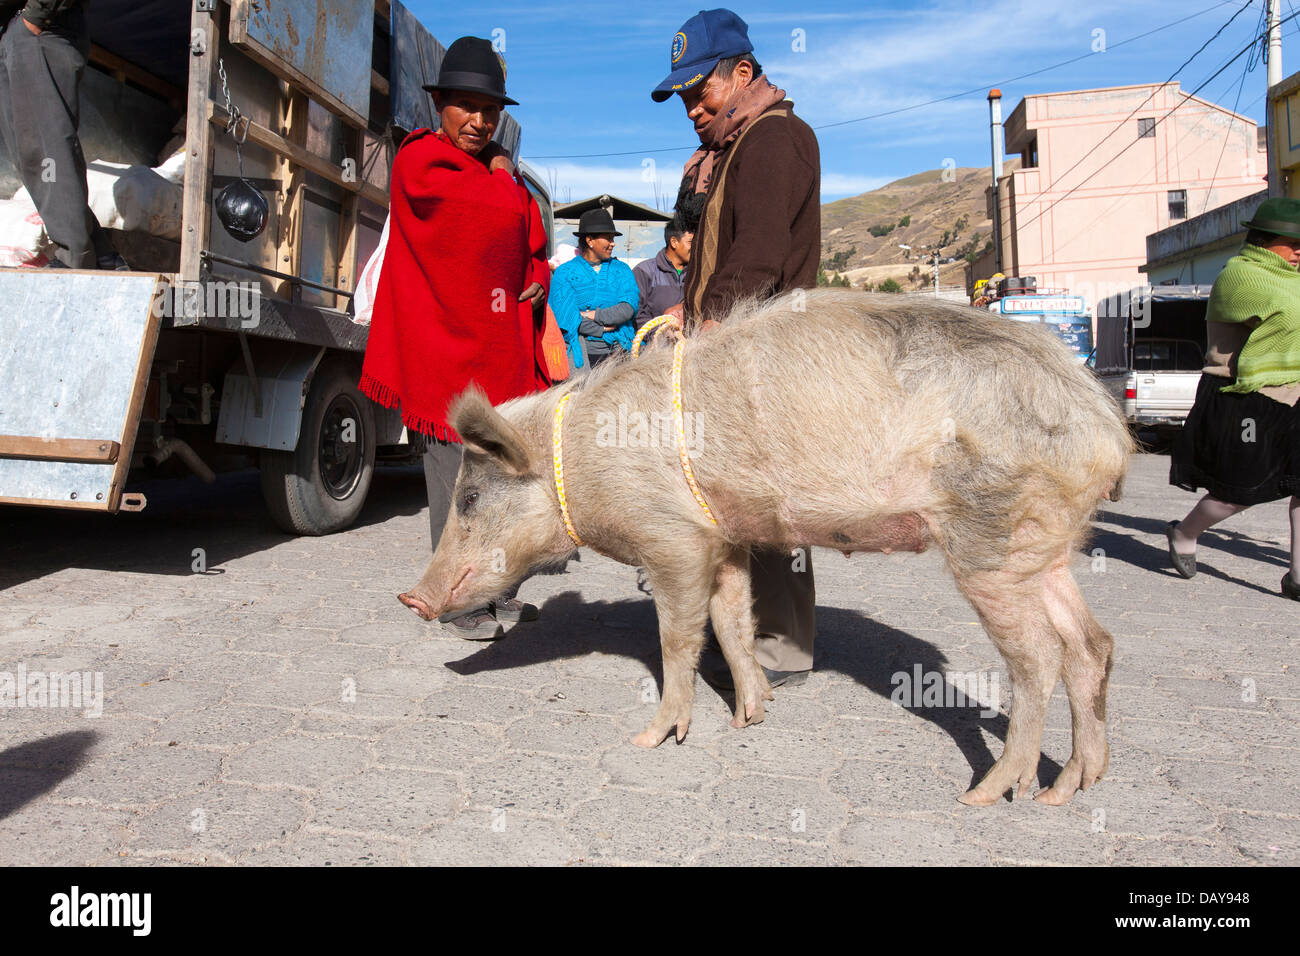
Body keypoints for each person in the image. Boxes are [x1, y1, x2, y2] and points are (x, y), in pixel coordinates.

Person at [360, 36, 551, 639]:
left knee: (500, 481)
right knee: (452, 485)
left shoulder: (498, 171)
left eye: (489, 110)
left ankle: (496, 585)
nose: (478, 121)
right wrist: (502, 175)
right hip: (441, 355)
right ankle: (460, 602)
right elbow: (493, 224)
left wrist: (540, 272)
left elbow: (528, 243)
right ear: (438, 104)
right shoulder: (420, 162)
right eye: (465, 105)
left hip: (497, 353)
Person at [651, 8, 821, 685]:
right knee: (733, 502)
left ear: (743, 72)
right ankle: (743, 633)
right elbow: (718, 255)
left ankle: (782, 647)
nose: (692, 108)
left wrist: (710, 339)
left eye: (701, 90)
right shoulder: (732, 147)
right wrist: (681, 317)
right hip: (733, 351)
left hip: (760, 357)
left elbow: (758, 256)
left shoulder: (775, 139)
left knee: (772, 506)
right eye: (684, 97)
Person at [1167, 197, 1300, 600]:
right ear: (1264, 241)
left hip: (1294, 392)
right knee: (1237, 492)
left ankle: (1298, 576)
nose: (1299, 251)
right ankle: (1185, 532)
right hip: (1246, 396)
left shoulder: (1291, 279)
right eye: (1292, 242)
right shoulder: (1242, 277)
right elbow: (1287, 319)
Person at [0, 1, 125, 269]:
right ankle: (101, 254)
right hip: (18, 31)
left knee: (47, 153)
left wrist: (36, 15)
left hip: (42, 29)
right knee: (31, 157)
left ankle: (75, 258)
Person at [550, 208, 639, 369]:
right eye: (608, 238)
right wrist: (601, 328)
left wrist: (592, 314)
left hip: (620, 353)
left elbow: (627, 309)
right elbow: (565, 317)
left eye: (613, 238)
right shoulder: (564, 273)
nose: (613, 243)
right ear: (590, 240)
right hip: (581, 355)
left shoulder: (622, 270)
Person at [632, 218, 692, 331]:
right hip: (653, 345)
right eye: (691, 242)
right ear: (674, 242)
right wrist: (660, 334)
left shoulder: (696, 274)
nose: (696, 247)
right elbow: (637, 313)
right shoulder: (644, 271)